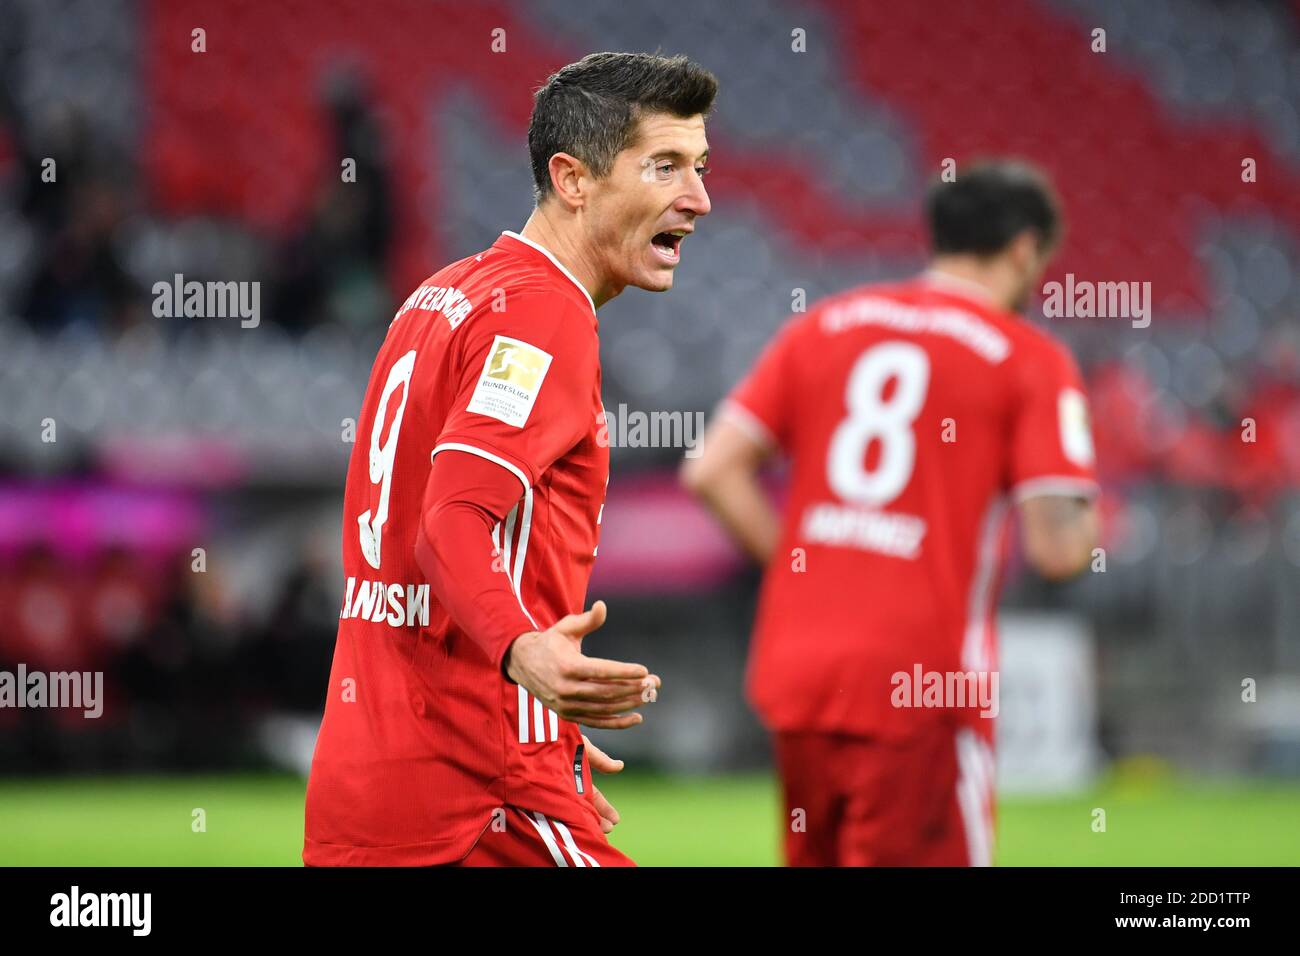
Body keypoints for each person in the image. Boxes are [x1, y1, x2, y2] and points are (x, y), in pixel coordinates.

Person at [305, 52, 716, 867]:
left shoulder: (441, 297)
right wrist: (524, 661)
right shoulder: (542, 316)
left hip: (373, 785)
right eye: (664, 166)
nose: (699, 199)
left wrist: (543, 725)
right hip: (481, 796)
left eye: (701, 168)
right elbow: (452, 519)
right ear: (573, 179)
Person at [682, 161, 1099, 866]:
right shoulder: (1029, 359)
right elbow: (1058, 549)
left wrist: (807, 566)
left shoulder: (827, 325)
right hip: (920, 681)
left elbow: (710, 469)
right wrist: (1096, 518)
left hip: (800, 670)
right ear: (1026, 250)